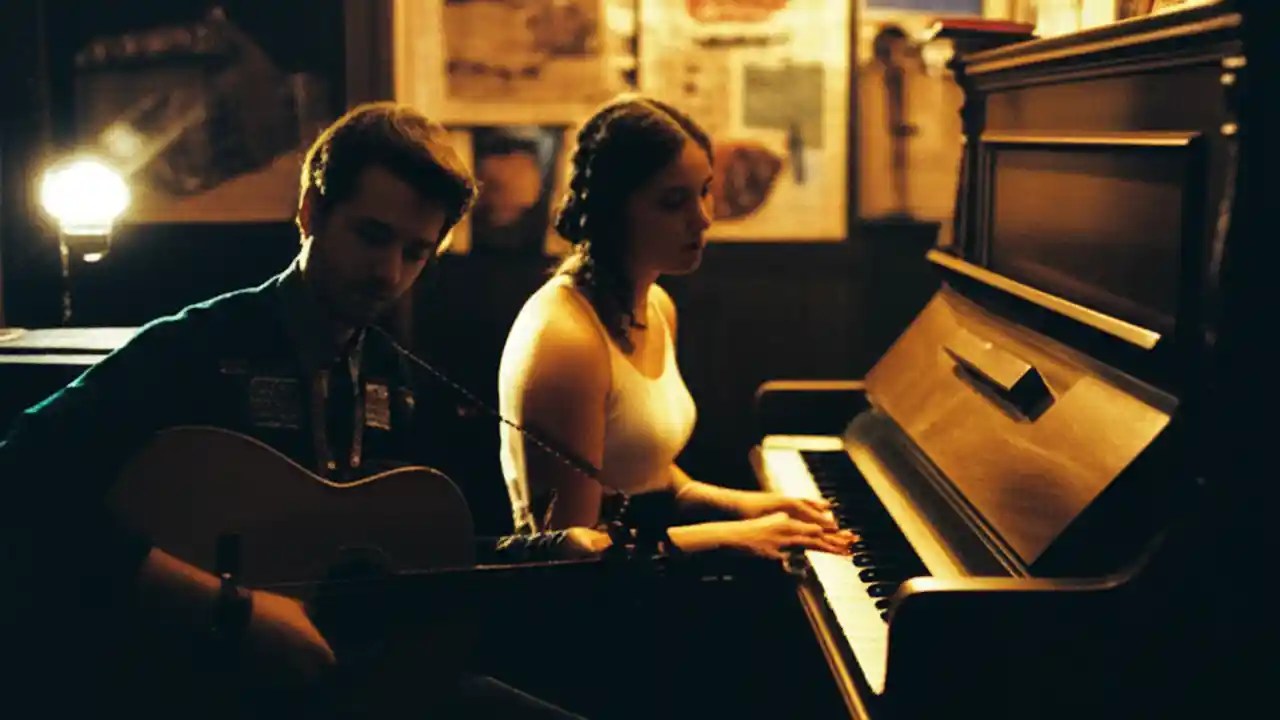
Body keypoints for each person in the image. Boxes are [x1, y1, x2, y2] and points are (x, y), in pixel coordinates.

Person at [0, 102, 590, 718]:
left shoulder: (400, 381)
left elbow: (420, 557)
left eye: (416, 252)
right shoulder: (195, 347)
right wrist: (230, 607)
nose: (388, 273)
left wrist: (542, 551)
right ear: (310, 212)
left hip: (352, 686)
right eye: (371, 235)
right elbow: (17, 480)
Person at [498, 94, 854, 559]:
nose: (703, 218)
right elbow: (578, 553)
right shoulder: (567, 341)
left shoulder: (657, 307)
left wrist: (750, 506)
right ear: (613, 210)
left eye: (704, 190)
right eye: (673, 202)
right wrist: (730, 536)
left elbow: (648, 474)